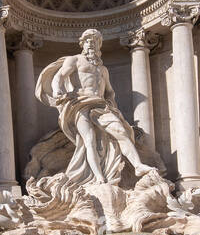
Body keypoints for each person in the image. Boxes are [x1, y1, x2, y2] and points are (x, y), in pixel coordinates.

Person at [36, 28, 158, 184]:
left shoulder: (102, 69)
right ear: (82, 44)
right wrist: (57, 89)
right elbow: (60, 76)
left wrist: (113, 109)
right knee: (89, 140)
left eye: (94, 42)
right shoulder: (75, 60)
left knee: (121, 131)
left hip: (100, 105)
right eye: (87, 41)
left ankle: (138, 165)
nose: (91, 44)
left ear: (99, 45)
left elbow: (109, 92)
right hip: (79, 104)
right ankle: (98, 177)